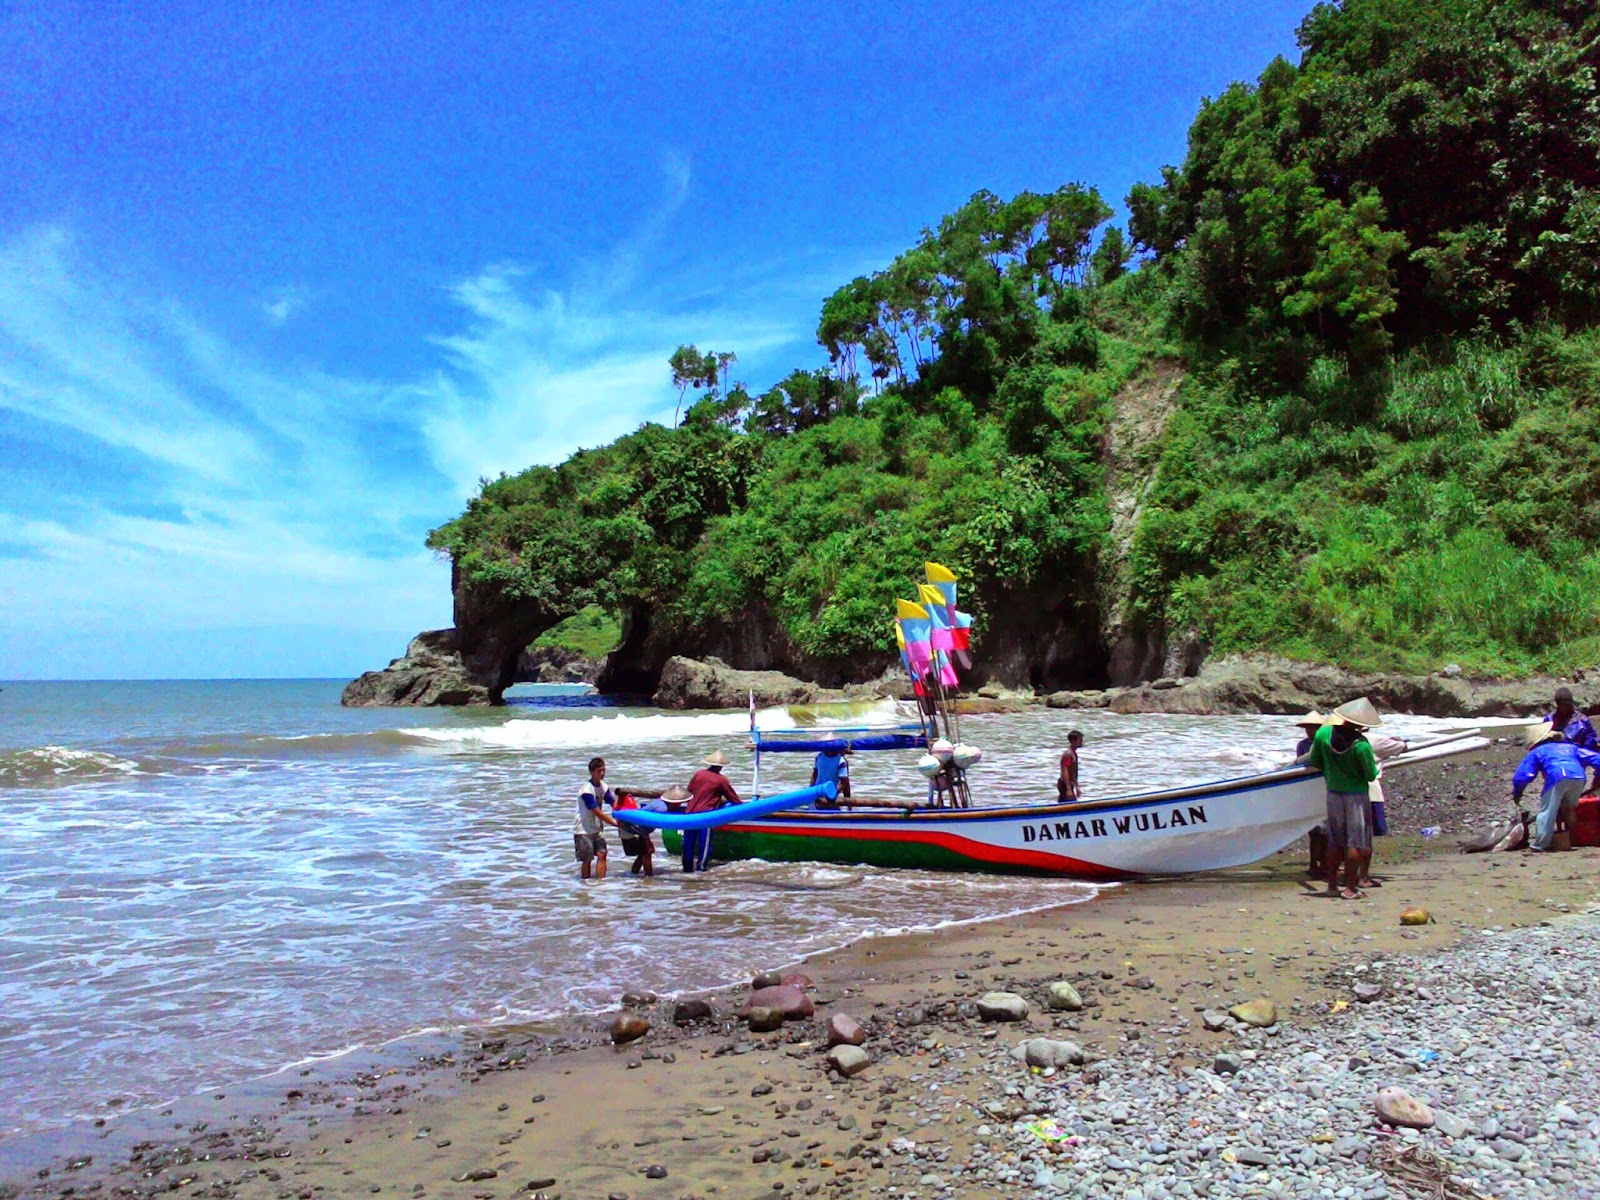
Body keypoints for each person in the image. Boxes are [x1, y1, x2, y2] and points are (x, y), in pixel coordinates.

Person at [1307, 698, 1380, 899]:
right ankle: (1350, 888)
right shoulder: (1361, 745)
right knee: (1354, 842)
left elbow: (1315, 761)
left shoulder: (1323, 734)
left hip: (1333, 791)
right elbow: (1370, 775)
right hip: (1356, 795)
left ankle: (1331, 886)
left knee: (1334, 840)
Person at [1512, 722, 1600, 851]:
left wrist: (1518, 791)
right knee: (1569, 809)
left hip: (1557, 777)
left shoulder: (1538, 751)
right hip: (1578, 777)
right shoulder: (1571, 748)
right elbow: (1597, 759)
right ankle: (1571, 839)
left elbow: (1523, 775)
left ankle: (1539, 845)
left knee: (1547, 811)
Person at [683, 749, 741, 873]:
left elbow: (689, 792)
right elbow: (733, 799)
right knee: (704, 845)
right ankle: (701, 868)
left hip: (689, 813)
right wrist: (746, 810)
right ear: (721, 766)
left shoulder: (698, 774)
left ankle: (687, 869)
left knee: (688, 844)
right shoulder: (721, 780)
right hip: (706, 815)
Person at [1292, 713, 1329, 877]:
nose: (1308, 731)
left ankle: (1325, 862)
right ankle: (1314, 863)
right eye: (1307, 728)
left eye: (1312, 728)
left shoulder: (1325, 743)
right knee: (1314, 829)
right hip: (1310, 788)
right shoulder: (1302, 745)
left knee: (1326, 830)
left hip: (1324, 785)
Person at [574, 756, 621, 882]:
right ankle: (586, 885)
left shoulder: (603, 786)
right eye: (599, 771)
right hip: (583, 829)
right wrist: (614, 823)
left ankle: (601, 884)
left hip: (596, 828)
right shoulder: (586, 789)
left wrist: (623, 814)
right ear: (592, 772)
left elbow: (613, 803)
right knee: (587, 859)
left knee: (602, 854)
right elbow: (596, 811)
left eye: (604, 770)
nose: (602, 773)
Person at [1545, 686, 1598, 792]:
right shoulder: (1549, 720)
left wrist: (1583, 751)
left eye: (1566, 704)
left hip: (1578, 755)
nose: (1564, 708)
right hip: (1555, 757)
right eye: (1561, 705)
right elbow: (1541, 739)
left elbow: (1591, 738)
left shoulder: (1582, 720)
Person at [1057, 731, 1084, 802]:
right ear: (1073, 741)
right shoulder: (1068, 754)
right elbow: (1065, 771)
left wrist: (1077, 786)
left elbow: (1073, 772)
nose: (1082, 742)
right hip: (1065, 784)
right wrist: (1068, 789)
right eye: (1080, 740)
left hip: (1069, 784)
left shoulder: (1073, 753)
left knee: (1065, 802)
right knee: (1069, 803)